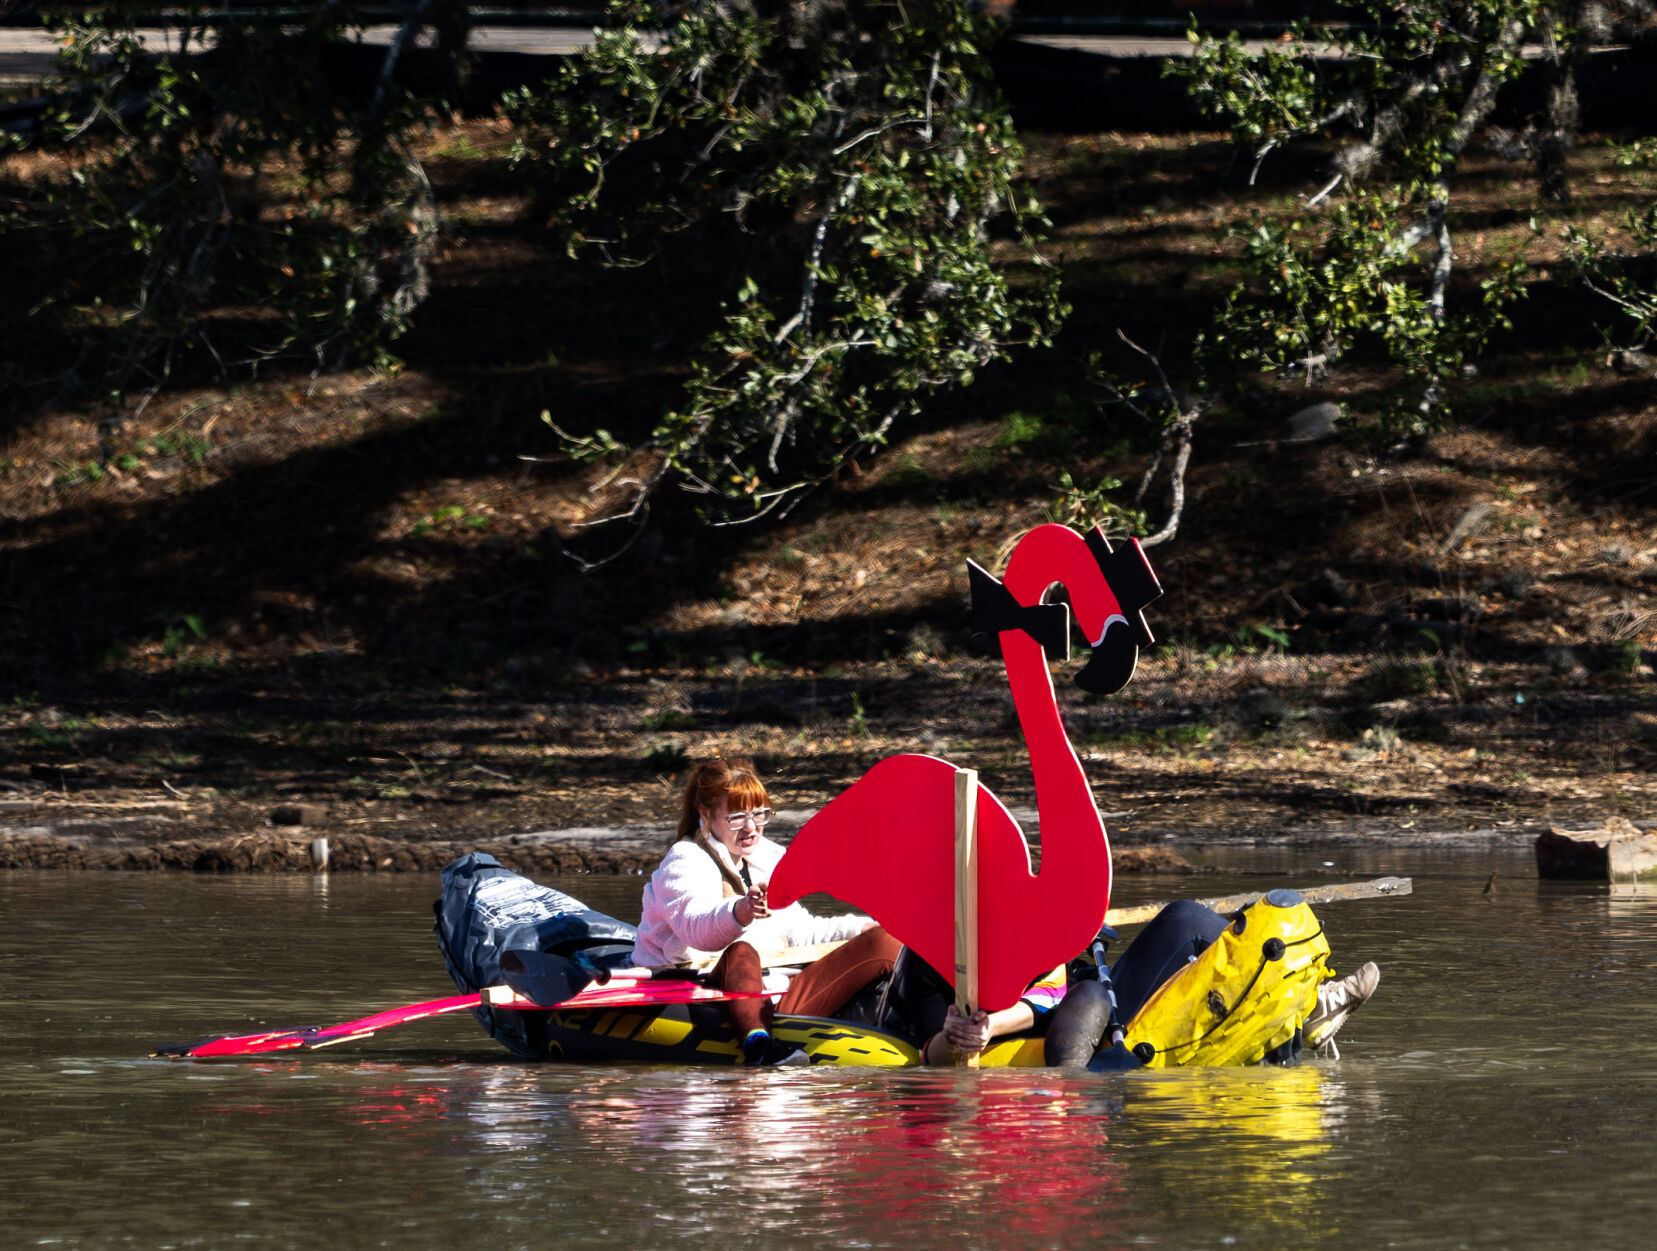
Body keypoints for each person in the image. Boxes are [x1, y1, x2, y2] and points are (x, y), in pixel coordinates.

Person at [634, 756, 903, 1066]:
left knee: (886, 940)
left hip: (774, 992)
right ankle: (758, 1046)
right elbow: (696, 929)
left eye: (759, 815)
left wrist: (859, 929)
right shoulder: (684, 859)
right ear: (706, 814)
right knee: (742, 950)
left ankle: (938, 1026)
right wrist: (742, 910)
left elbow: (801, 932)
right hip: (698, 990)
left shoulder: (768, 859)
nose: (751, 828)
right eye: (737, 817)